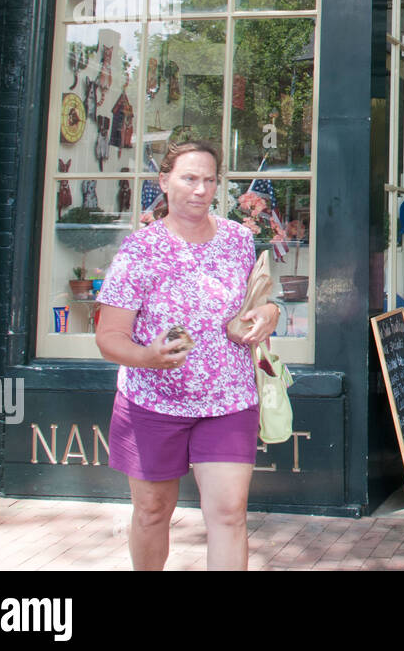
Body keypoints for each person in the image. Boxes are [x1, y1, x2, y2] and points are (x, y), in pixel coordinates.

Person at [94, 140, 281, 570]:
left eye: (209, 180)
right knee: (153, 512)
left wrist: (270, 313)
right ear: (164, 181)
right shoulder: (139, 251)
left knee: (230, 514)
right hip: (152, 403)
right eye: (189, 178)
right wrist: (148, 356)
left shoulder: (238, 239)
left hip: (228, 400)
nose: (200, 189)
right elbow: (109, 337)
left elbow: (262, 298)